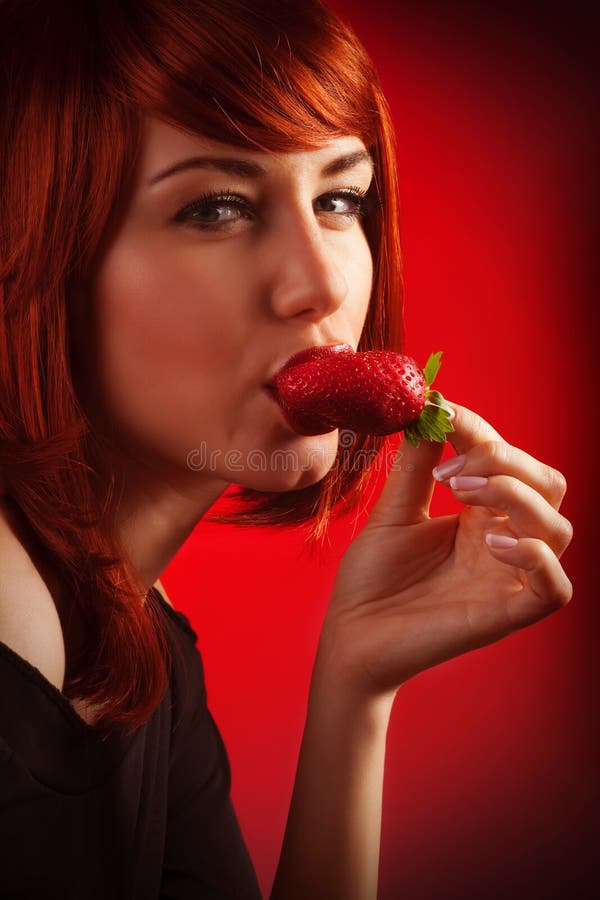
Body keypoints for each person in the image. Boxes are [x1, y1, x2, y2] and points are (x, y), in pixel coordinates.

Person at [0, 1, 573, 898]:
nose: (322, 284)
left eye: (340, 198)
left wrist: (357, 683)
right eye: (217, 207)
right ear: (40, 252)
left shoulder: (133, 636)